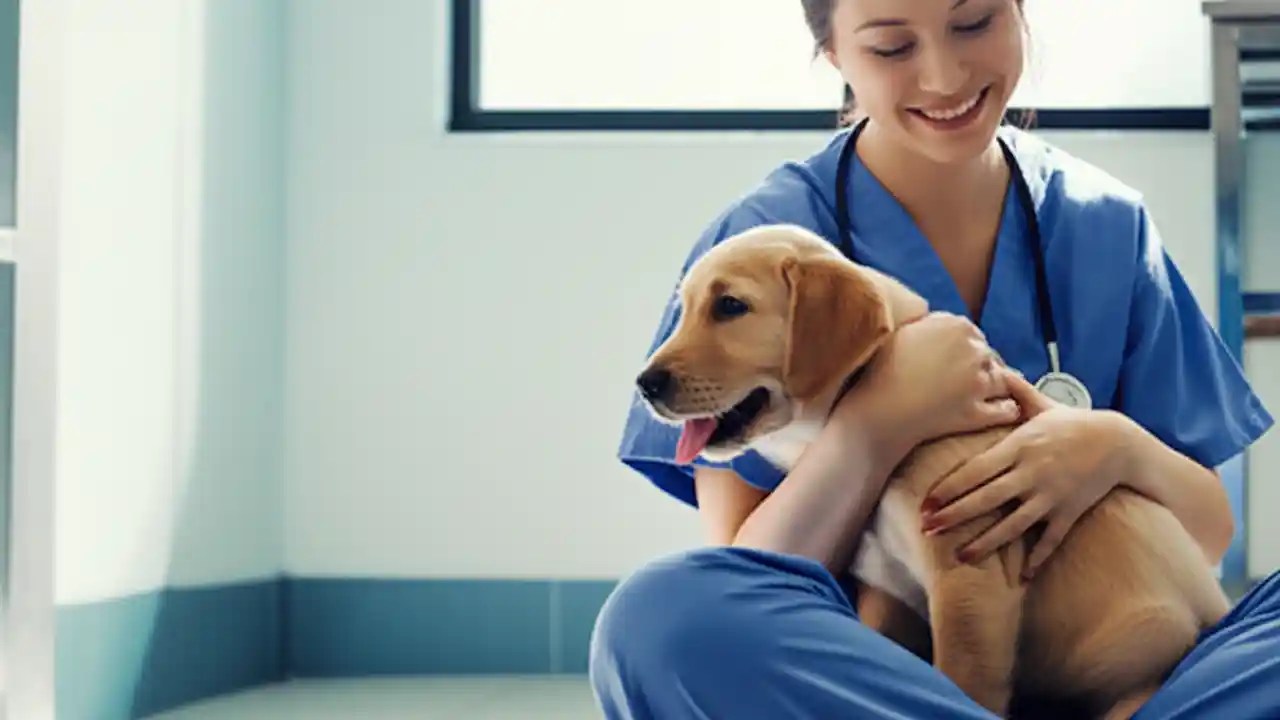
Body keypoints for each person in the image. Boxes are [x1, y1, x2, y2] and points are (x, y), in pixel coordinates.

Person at [590, 0, 1280, 718]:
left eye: (974, 23)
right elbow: (752, 580)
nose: (945, 76)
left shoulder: (1103, 224)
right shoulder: (762, 243)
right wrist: (877, 427)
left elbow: (1206, 535)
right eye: (892, 48)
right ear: (834, 55)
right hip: (890, 692)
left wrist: (1113, 446)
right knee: (660, 619)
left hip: (1132, 668)